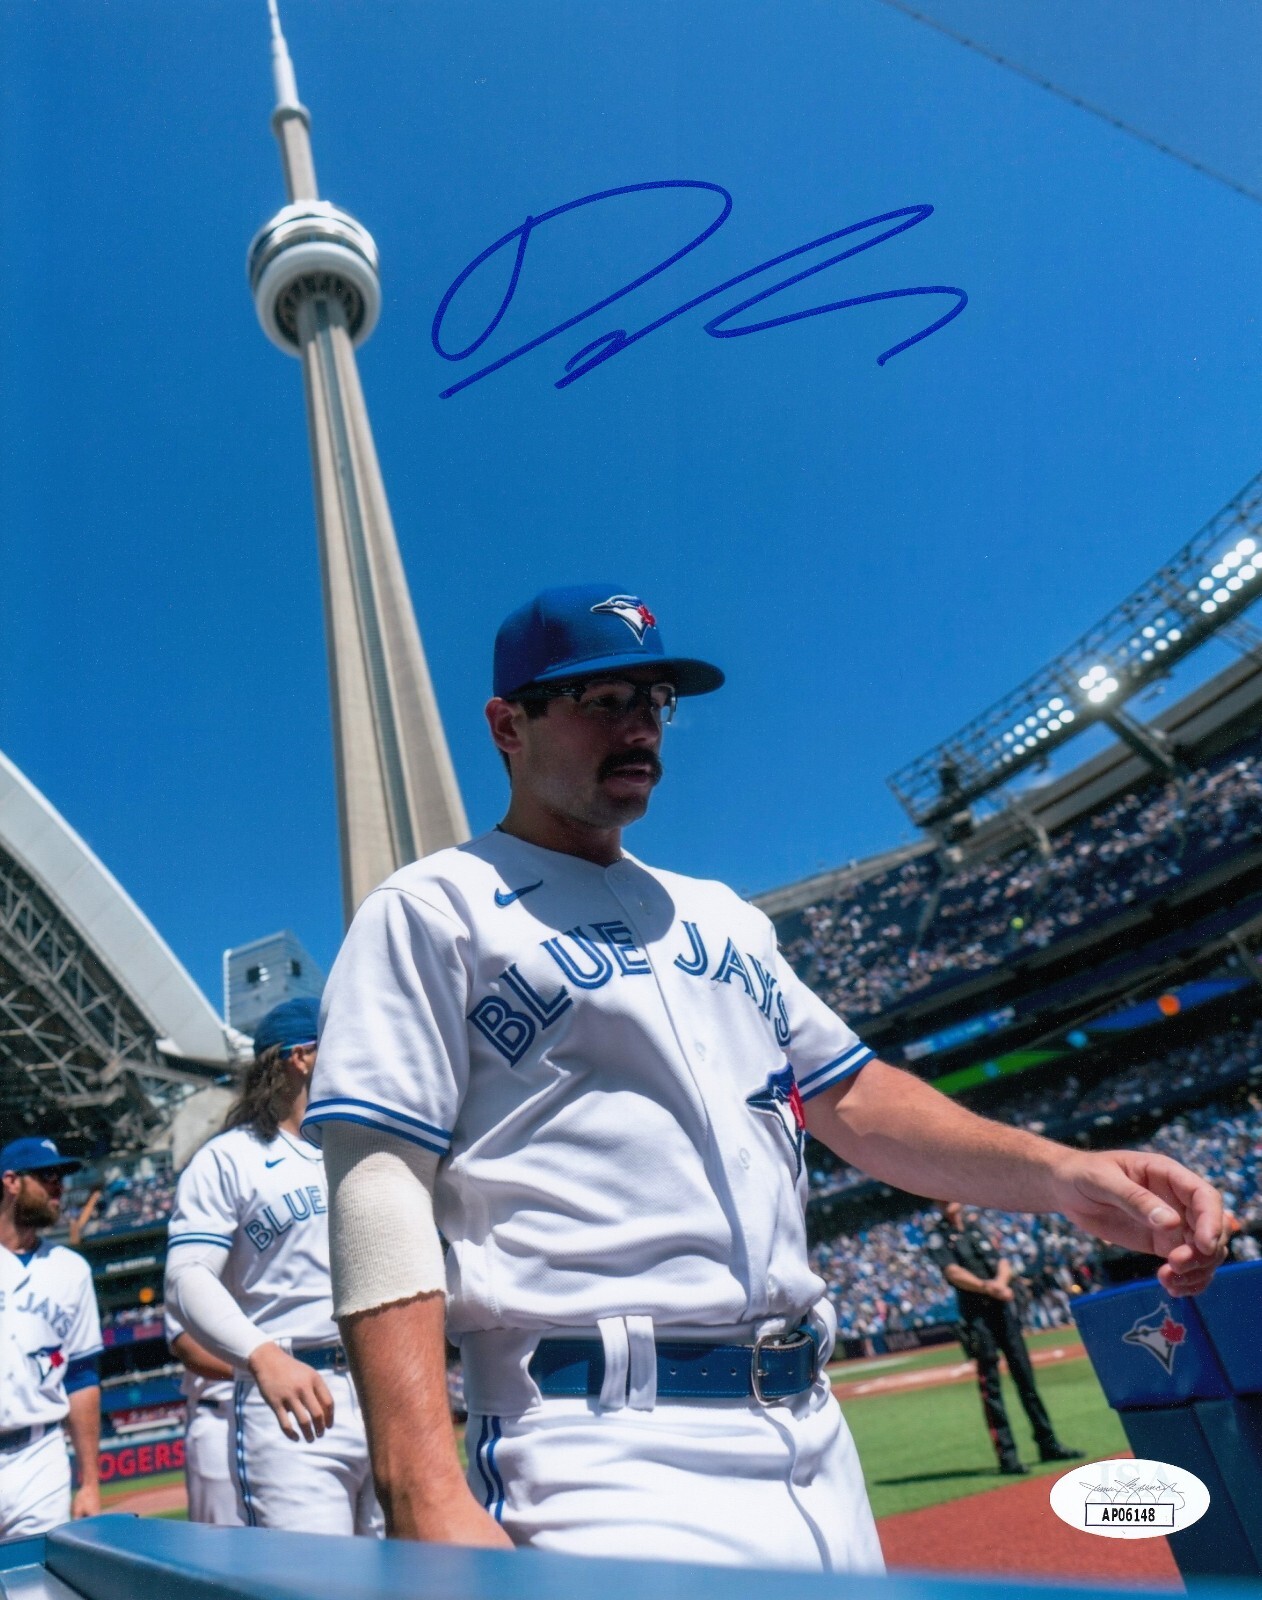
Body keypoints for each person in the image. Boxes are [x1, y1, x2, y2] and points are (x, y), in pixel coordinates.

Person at [304, 583, 1230, 1571]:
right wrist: (418, 1484)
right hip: (598, 1451)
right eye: (598, 698)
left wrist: (1060, 1174)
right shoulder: (430, 909)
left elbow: (857, 1098)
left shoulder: (720, 916)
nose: (637, 727)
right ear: (506, 724)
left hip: (813, 1433)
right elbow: (379, 1180)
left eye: (652, 700)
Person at [163, 998, 382, 1537]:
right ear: (301, 1058)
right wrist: (260, 1356)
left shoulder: (364, 1145)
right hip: (291, 1399)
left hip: (383, 1386)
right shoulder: (228, 1157)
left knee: (415, 1578)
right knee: (318, 1583)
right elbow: (185, 1277)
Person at [926, 1202, 1082, 1474]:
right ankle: (1007, 1456)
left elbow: (1002, 1261)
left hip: (1002, 1311)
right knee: (992, 1389)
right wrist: (990, 1287)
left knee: (1026, 1378)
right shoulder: (938, 1236)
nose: (946, 1199)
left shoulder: (974, 1227)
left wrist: (999, 1282)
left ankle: (1048, 1443)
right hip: (977, 1316)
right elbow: (953, 1273)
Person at [0, 1136, 102, 1538]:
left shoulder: (71, 1270)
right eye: (47, 1176)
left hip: (40, 1458)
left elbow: (81, 1377)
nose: (60, 1186)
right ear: (11, 1182)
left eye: (61, 1176)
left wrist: (90, 1481)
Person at [165, 1310, 243, 1525]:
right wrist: (260, 1371)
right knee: (222, 1545)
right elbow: (188, 1349)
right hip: (219, 1418)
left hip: (281, 1411)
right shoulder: (188, 1277)